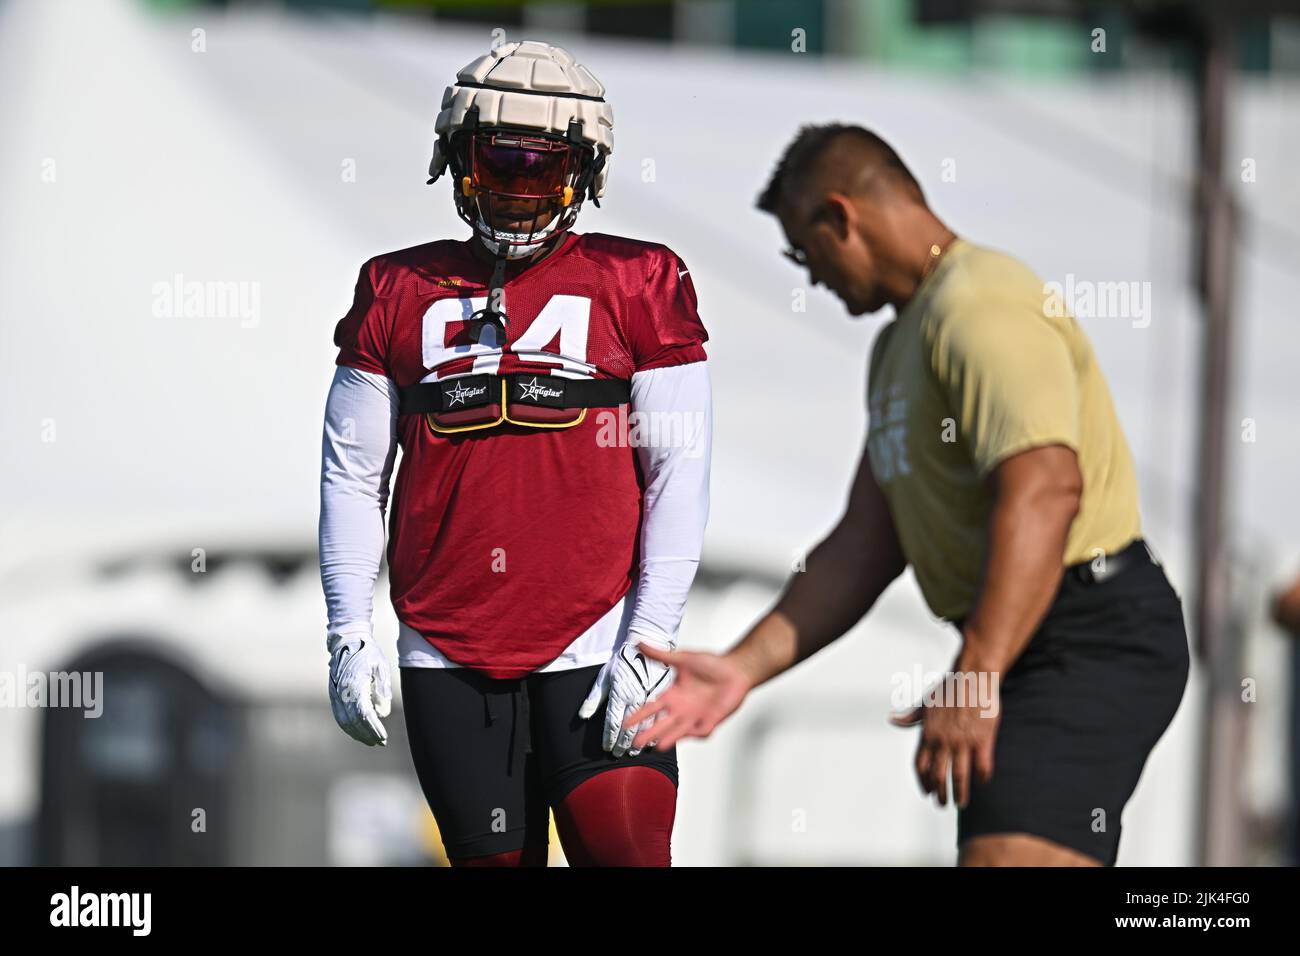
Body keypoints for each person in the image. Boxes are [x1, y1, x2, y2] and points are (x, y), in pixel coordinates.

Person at [626, 124, 1189, 867]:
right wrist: (741, 667)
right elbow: (862, 544)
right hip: (1025, 637)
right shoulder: (901, 346)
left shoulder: (980, 306)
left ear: (841, 217)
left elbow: (1047, 489)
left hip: (1089, 635)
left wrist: (977, 672)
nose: (811, 279)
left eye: (805, 251)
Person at [317, 40, 711, 866]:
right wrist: (348, 629)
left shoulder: (638, 281)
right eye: (498, 164)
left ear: (582, 170)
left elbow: (678, 468)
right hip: (446, 648)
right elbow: (353, 475)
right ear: (457, 161)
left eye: (540, 168)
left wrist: (650, 635)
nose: (516, 190)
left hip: (600, 639)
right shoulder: (397, 289)